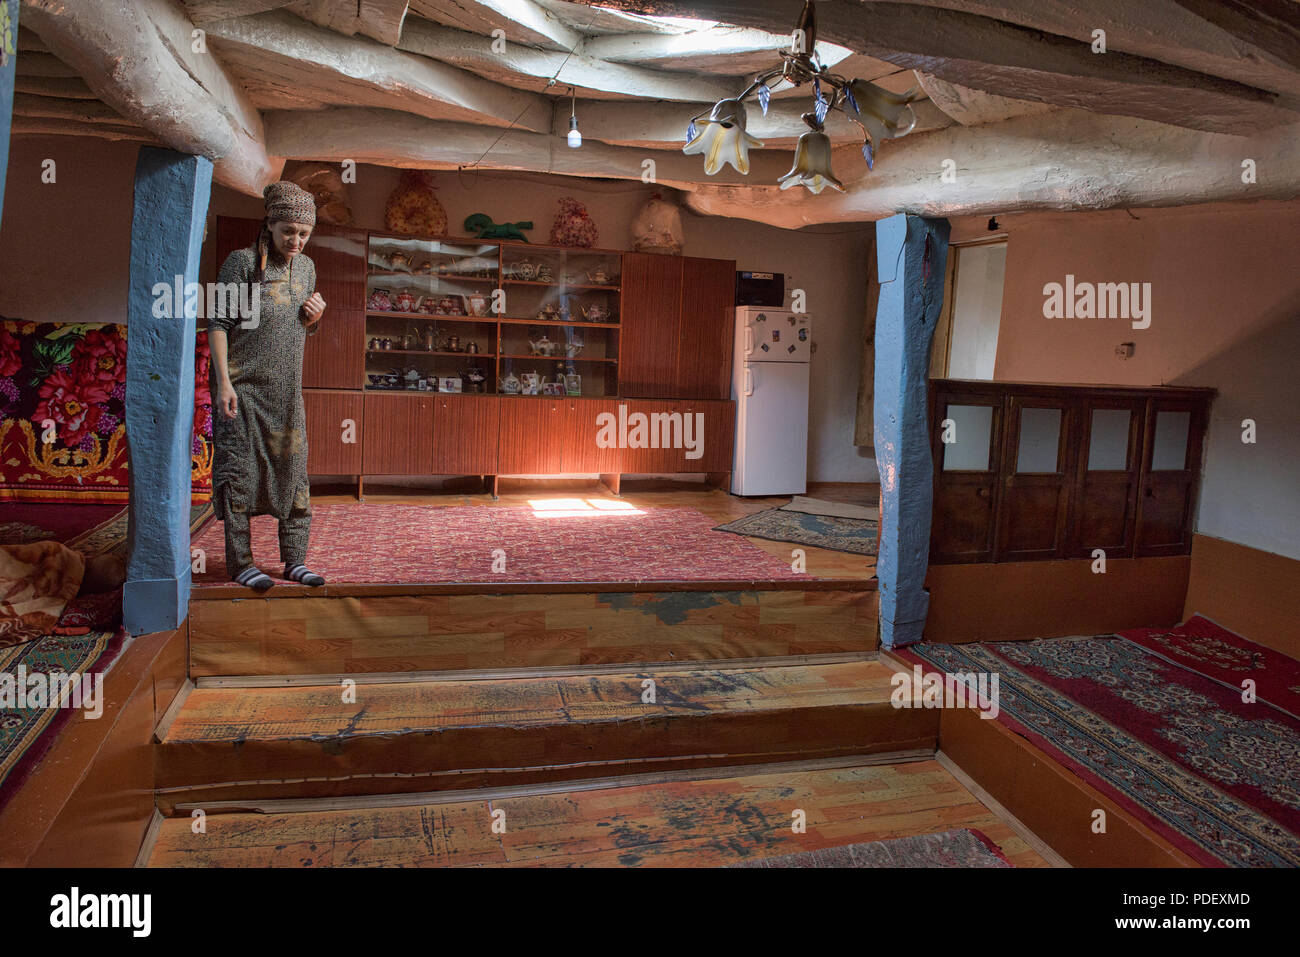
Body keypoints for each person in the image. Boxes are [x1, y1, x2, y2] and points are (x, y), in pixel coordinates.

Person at [207, 181, 327, 591]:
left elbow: (296, 327)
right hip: (242, 390)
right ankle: (241, 564)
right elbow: (218, 324)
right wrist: (223, 384)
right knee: (239, 474)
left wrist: (313, 319)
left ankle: (294, 561)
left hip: (286, 393)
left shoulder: (307, 268)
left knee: (293, 473)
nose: (296, 240)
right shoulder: (240, 263)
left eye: (304, 233)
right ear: (270, 224)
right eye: (288, 231)